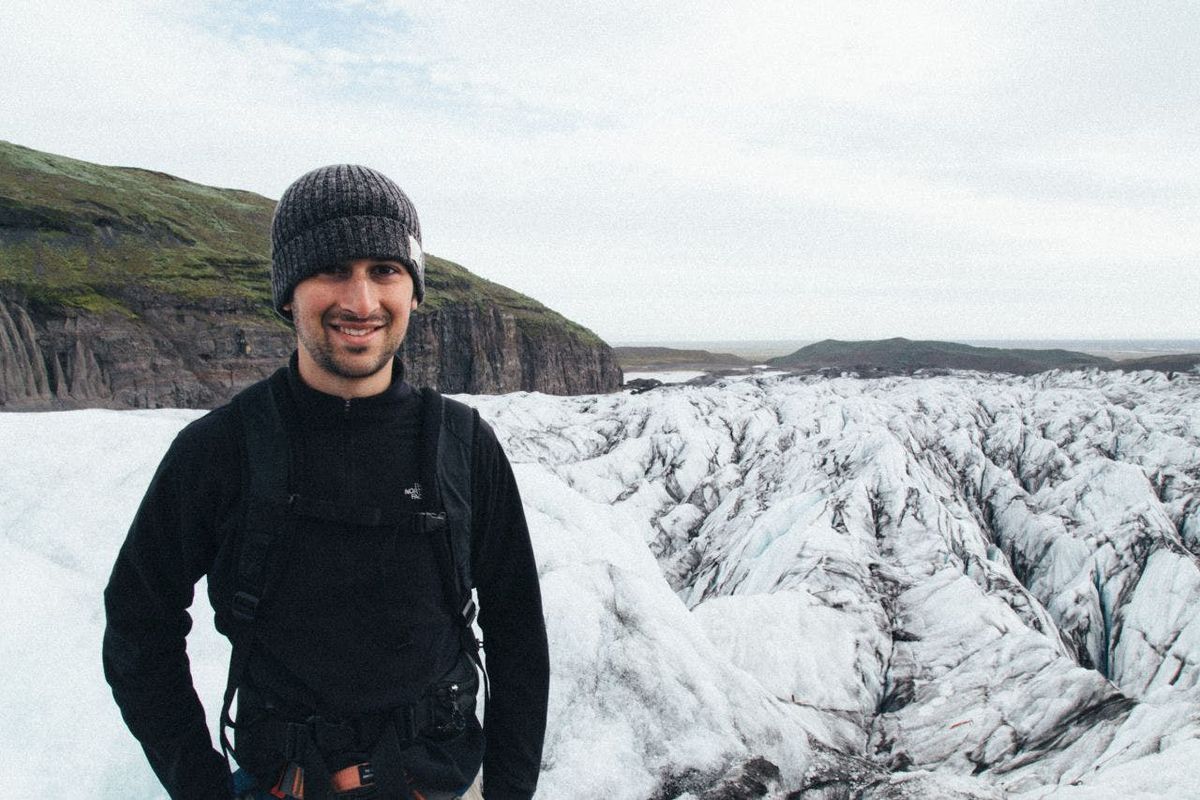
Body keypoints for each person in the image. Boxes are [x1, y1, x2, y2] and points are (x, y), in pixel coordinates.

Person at [103, 164, 549, 800]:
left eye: (384, 270)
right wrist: (199, 786)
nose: (361, 301)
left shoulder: (464, 447)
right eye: (331, 269)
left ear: (415, 291)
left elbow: (518, 633)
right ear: (288, 291)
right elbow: (137, 622)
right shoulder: (219, 450)